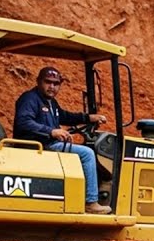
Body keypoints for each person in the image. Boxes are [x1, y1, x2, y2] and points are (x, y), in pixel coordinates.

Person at [13, 67, 111, 214]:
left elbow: (64, 116)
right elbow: (23, 122)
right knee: (87, 154)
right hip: (40, 147)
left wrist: (88, 118)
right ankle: (91, 202)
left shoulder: (50, 102)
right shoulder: (30, 99)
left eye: (56, 83)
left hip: (48, 144)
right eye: (48, 82)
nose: (52, 87)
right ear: (38, 81)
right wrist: (51, 131)